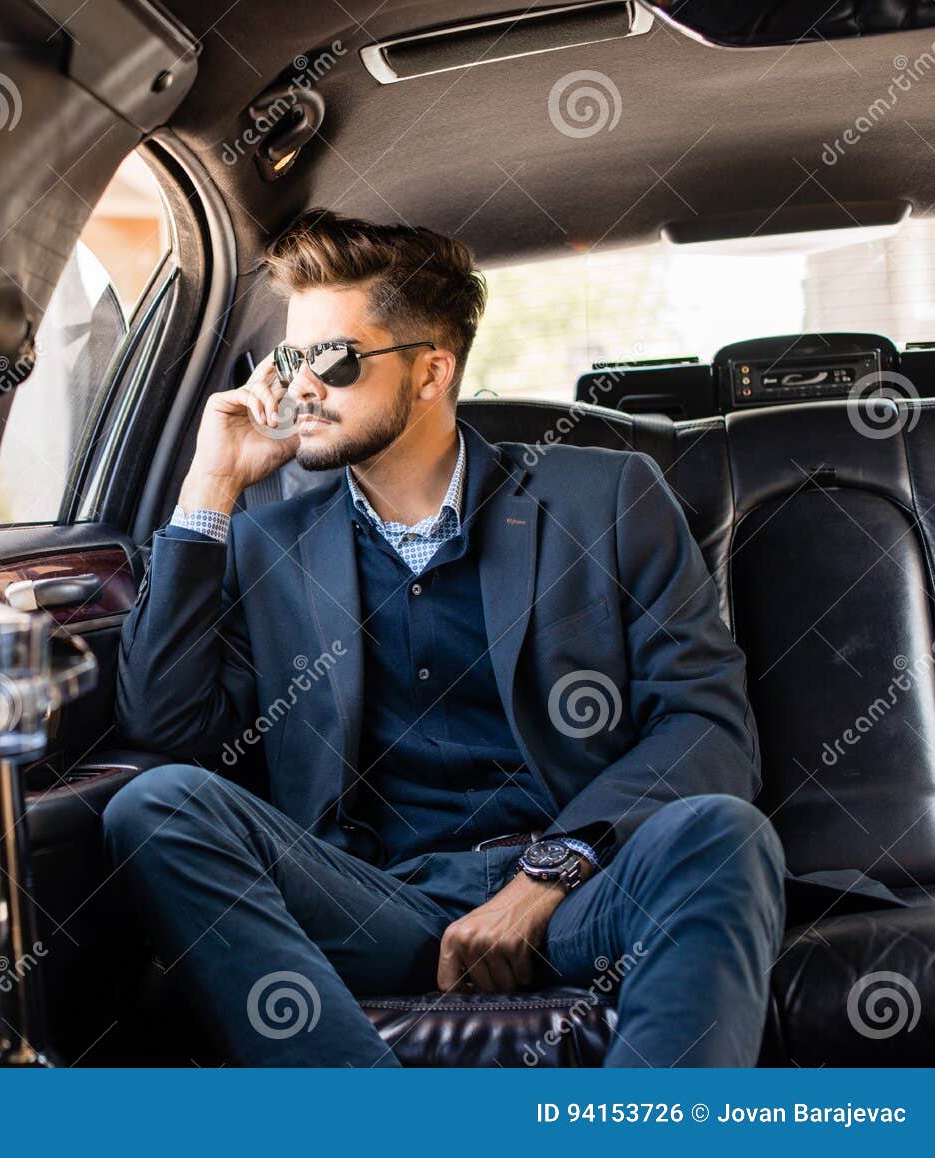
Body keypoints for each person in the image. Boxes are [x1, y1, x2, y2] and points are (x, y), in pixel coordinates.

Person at [104, 210, 785, 1067]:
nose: (301, 387)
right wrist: (211, 487)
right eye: (288, 360)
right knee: (153, 805)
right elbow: (164, 727)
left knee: (726, 834)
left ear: (432, 372)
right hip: (376, 898)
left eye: (334, 361)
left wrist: (545, 878)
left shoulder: (603, 498)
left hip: (582, 892)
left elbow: (707, 725)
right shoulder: (266, 542)